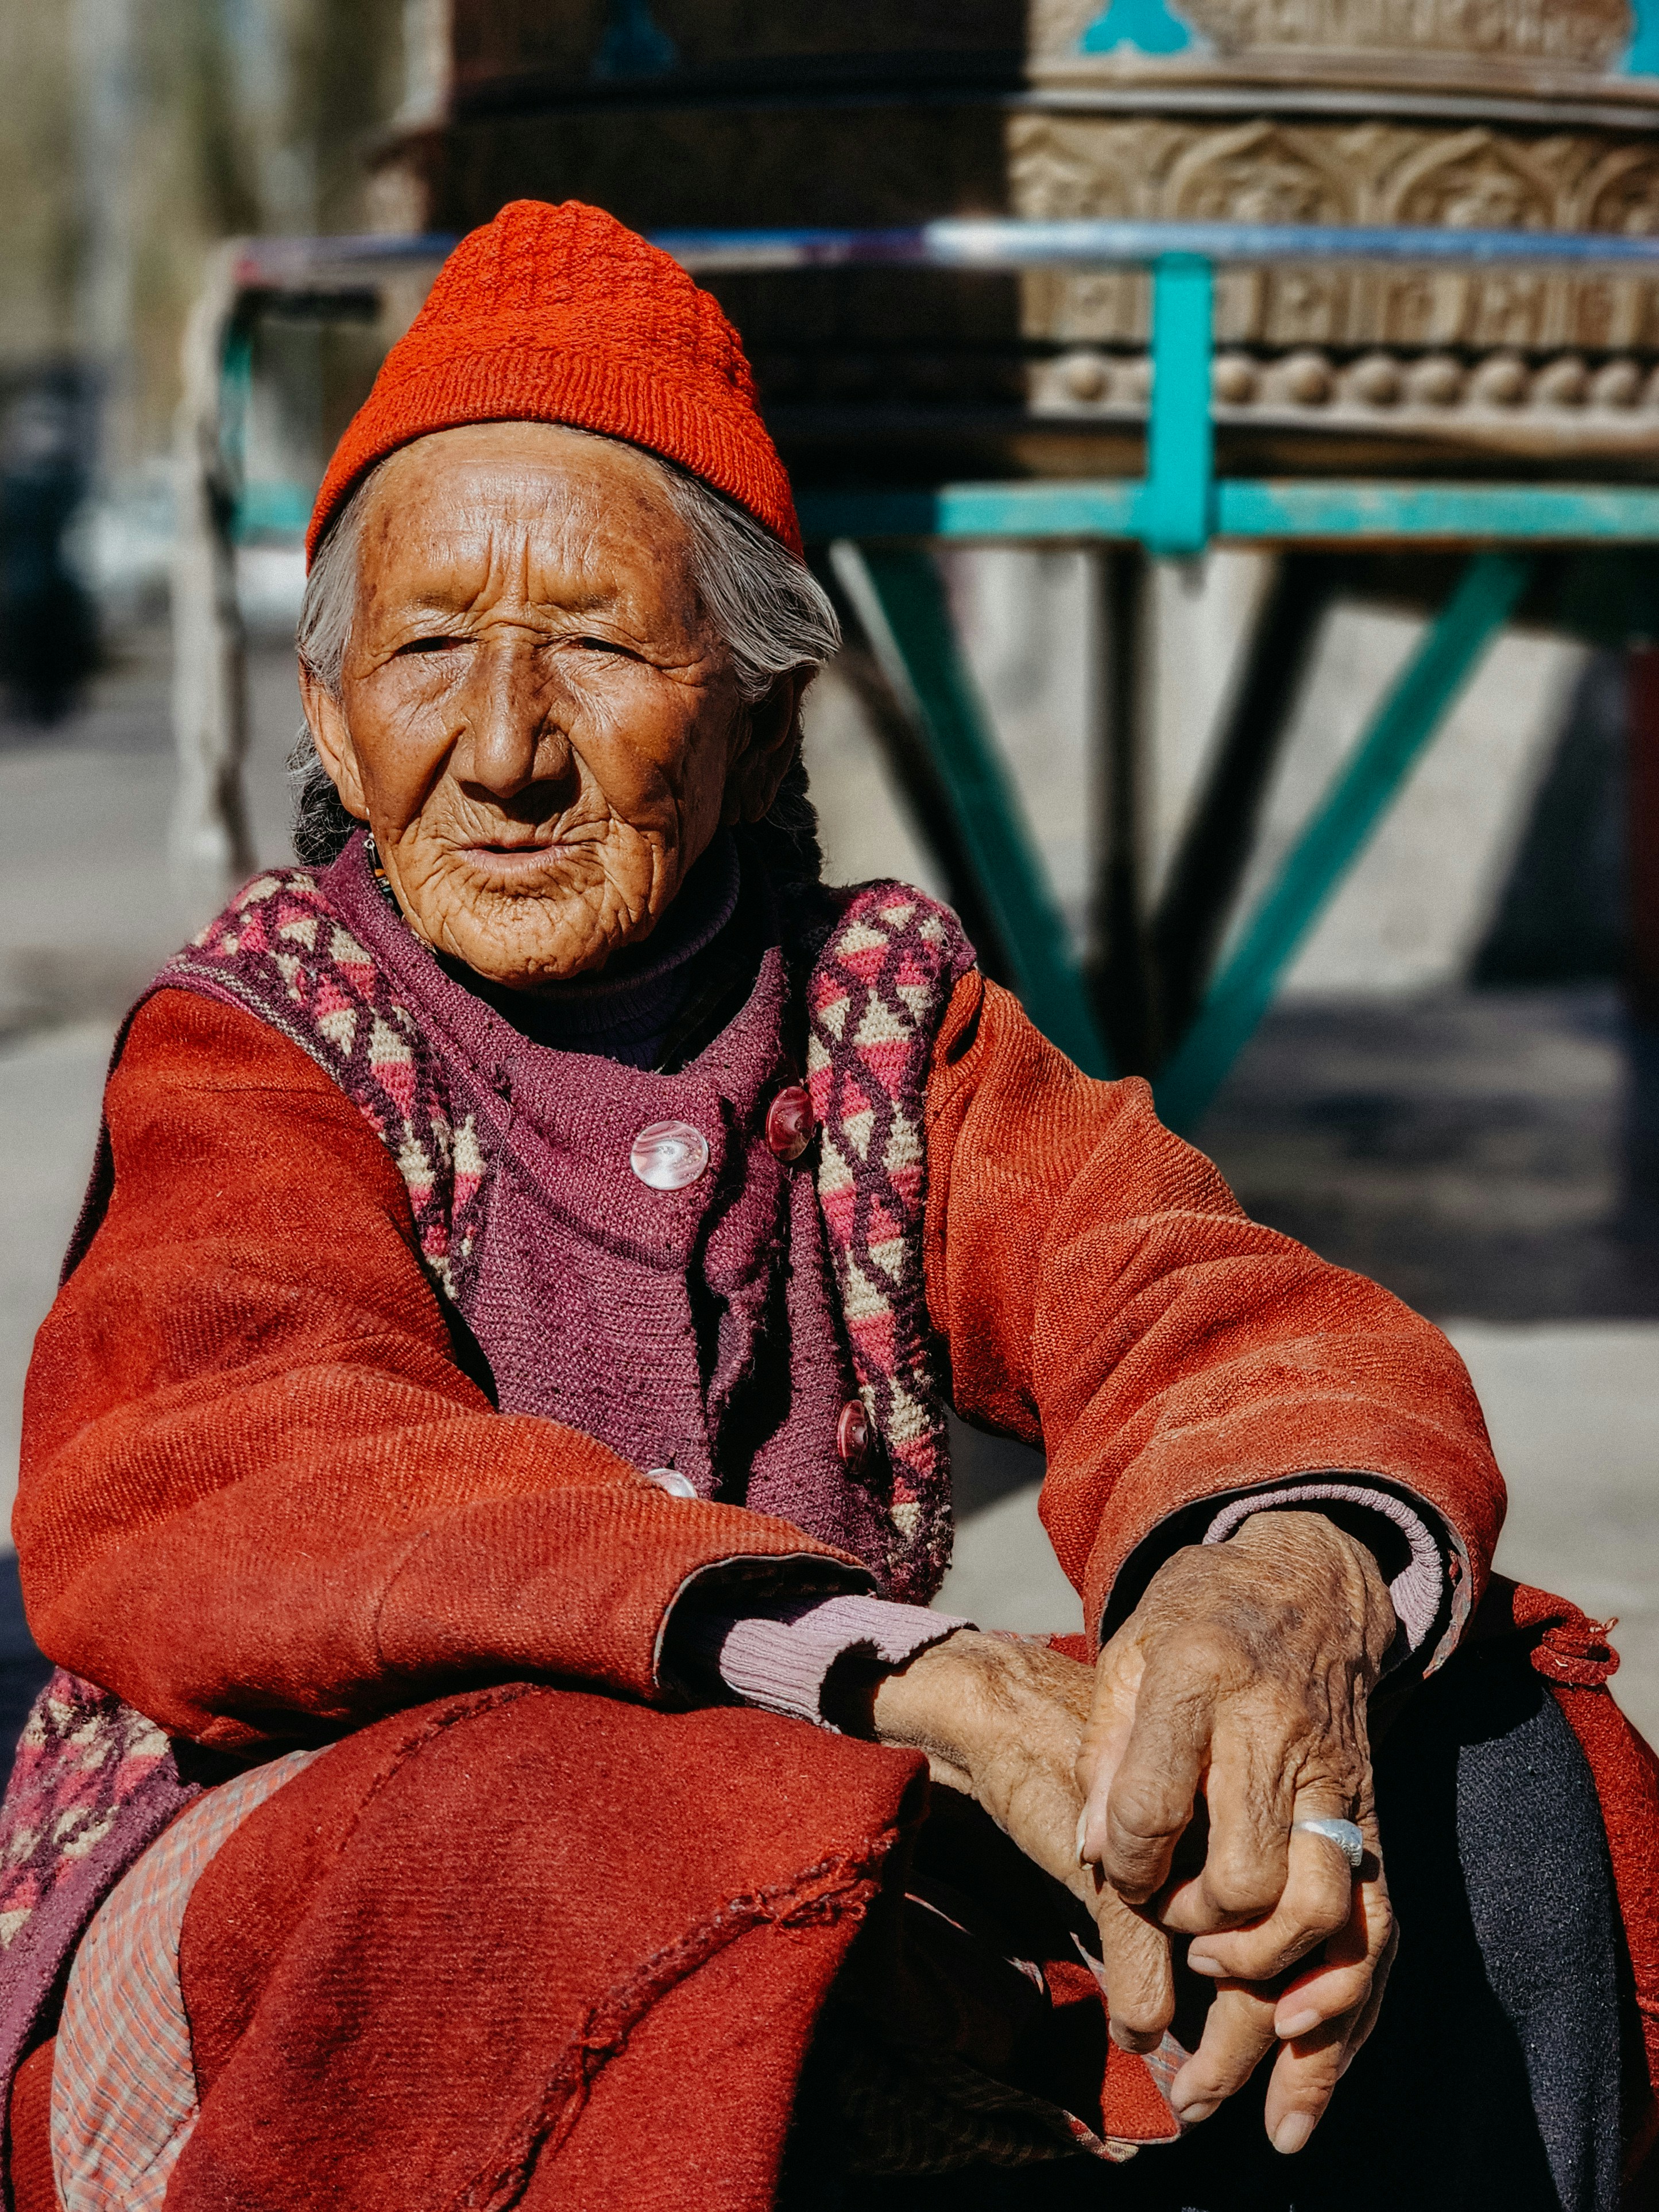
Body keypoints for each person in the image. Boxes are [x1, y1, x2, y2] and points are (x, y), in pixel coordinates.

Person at [0, 200, 1653, 2212]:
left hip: (806, 1841)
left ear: (762, 716)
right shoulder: (263, 1033)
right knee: (555, 1827)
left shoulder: (876, 1011)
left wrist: (1270, 1583)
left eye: (600, 643)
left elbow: (1194, 1303)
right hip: (352, 1870)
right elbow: (235, 1467)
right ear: (335, 714)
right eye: (428, 647)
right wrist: (912, 1672)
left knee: (1472, 1736)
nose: (505, 746)